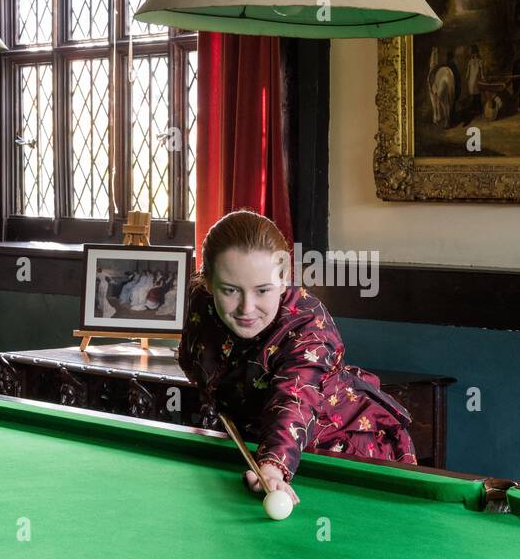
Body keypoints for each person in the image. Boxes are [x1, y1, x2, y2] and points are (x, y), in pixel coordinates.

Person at [177, 210, 417, 505]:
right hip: (254, 448)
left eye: (262, 290)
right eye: (230, 290)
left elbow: (294, 399)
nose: (246, 308)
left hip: (342, 455)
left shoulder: (307, 325)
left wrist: (274, 464)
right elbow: (196, 362)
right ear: (208, 282)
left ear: (283, 280)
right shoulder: (201, 303)